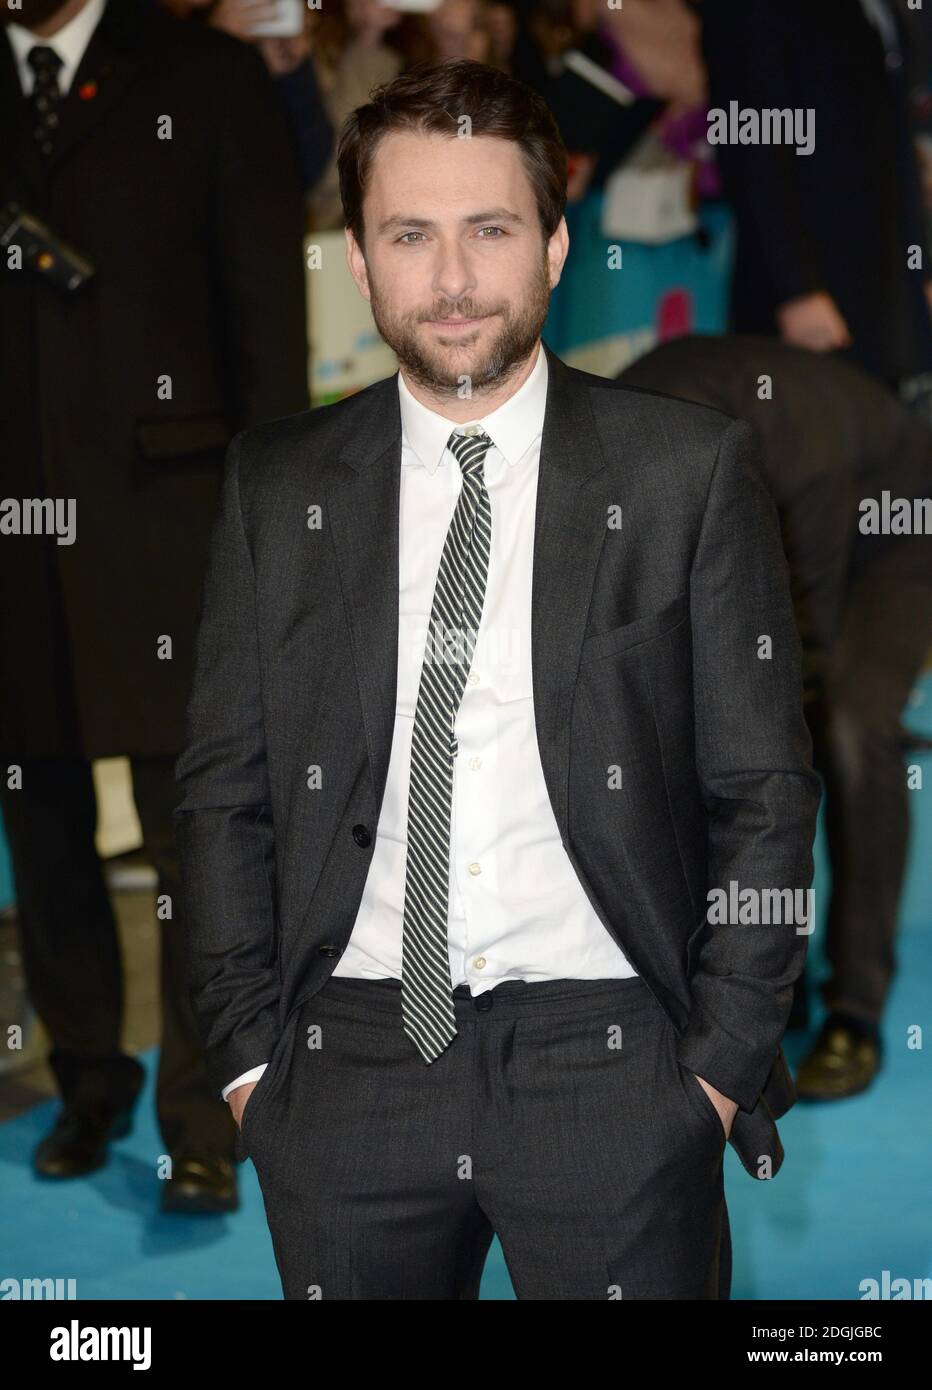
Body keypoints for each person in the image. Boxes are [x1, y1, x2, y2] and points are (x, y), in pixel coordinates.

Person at [174, 58, 821, 1299]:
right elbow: (222, 786)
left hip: (612, 1061)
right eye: (410, 235)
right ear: (357, 263)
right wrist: (253, 1062)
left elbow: (762, 789)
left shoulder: (683, 472)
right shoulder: (279, 484)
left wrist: (714, 1063)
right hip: (344, 1061)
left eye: (490, 230)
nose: (454, 279)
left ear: (556, 247)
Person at [0, 0, 308, 1211]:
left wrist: (279, 510)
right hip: (13, 534)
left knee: (201, 838)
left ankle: (205, 1113)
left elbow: (264, 317)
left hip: (174, 519)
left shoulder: (206, 76)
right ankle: (85, 1082)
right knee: (42, 821)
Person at [620, 334, 932, 1099]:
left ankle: (853, 1008)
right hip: (778, 489)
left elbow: (791, 682)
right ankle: (763, 987)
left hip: (889, 534)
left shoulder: (795, 465)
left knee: (847, 734)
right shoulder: (612, 436)